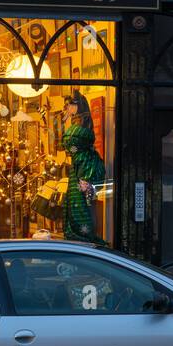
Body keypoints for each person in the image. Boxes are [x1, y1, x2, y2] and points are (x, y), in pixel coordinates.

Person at [62, 90, 106, 244]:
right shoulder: (75, 123)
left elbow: (71, 145)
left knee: (85, 203)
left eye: (70, 105)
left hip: (85, 167)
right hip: (78, 167)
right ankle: (83, 236)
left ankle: (87, 236)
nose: (67, 108)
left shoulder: (83, 125)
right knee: (79, 203)